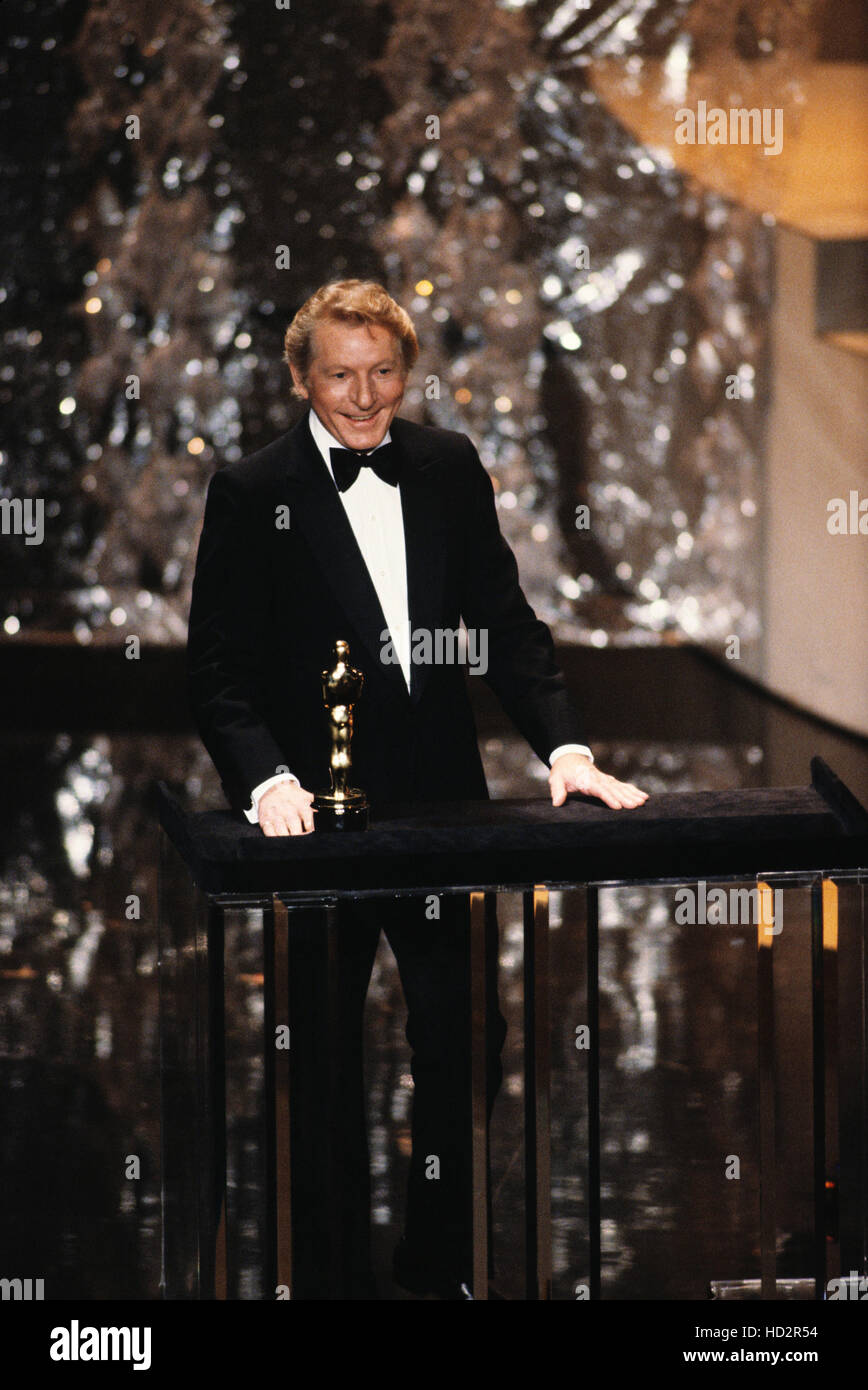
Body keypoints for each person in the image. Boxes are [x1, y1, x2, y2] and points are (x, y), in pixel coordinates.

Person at [187, 279, 648, 1299]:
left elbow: (504, 622)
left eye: (382, 371)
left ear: (408, 370)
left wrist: (563, 749)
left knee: (463, 1040)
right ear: (300, 376)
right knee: (319, 1053)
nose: (363, 397)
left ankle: (439, 1271)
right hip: (317, 826)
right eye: (340, 375)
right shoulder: (251, 488)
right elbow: (215, 669)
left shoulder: (444, 466)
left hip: (447, 815)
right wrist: (263, 774)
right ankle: (328, 1276)